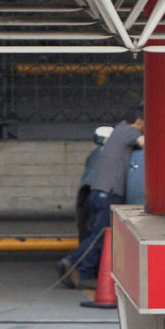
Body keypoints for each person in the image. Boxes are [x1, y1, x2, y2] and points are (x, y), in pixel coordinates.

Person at [63, 111, 142, 285]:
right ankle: (77, 265)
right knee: (101, 235)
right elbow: (144, 143)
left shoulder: (117, 133)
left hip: (99, 192)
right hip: (109, 192)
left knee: (99, 234)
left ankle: (83, 270)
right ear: (138, 121)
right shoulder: (129, 131)